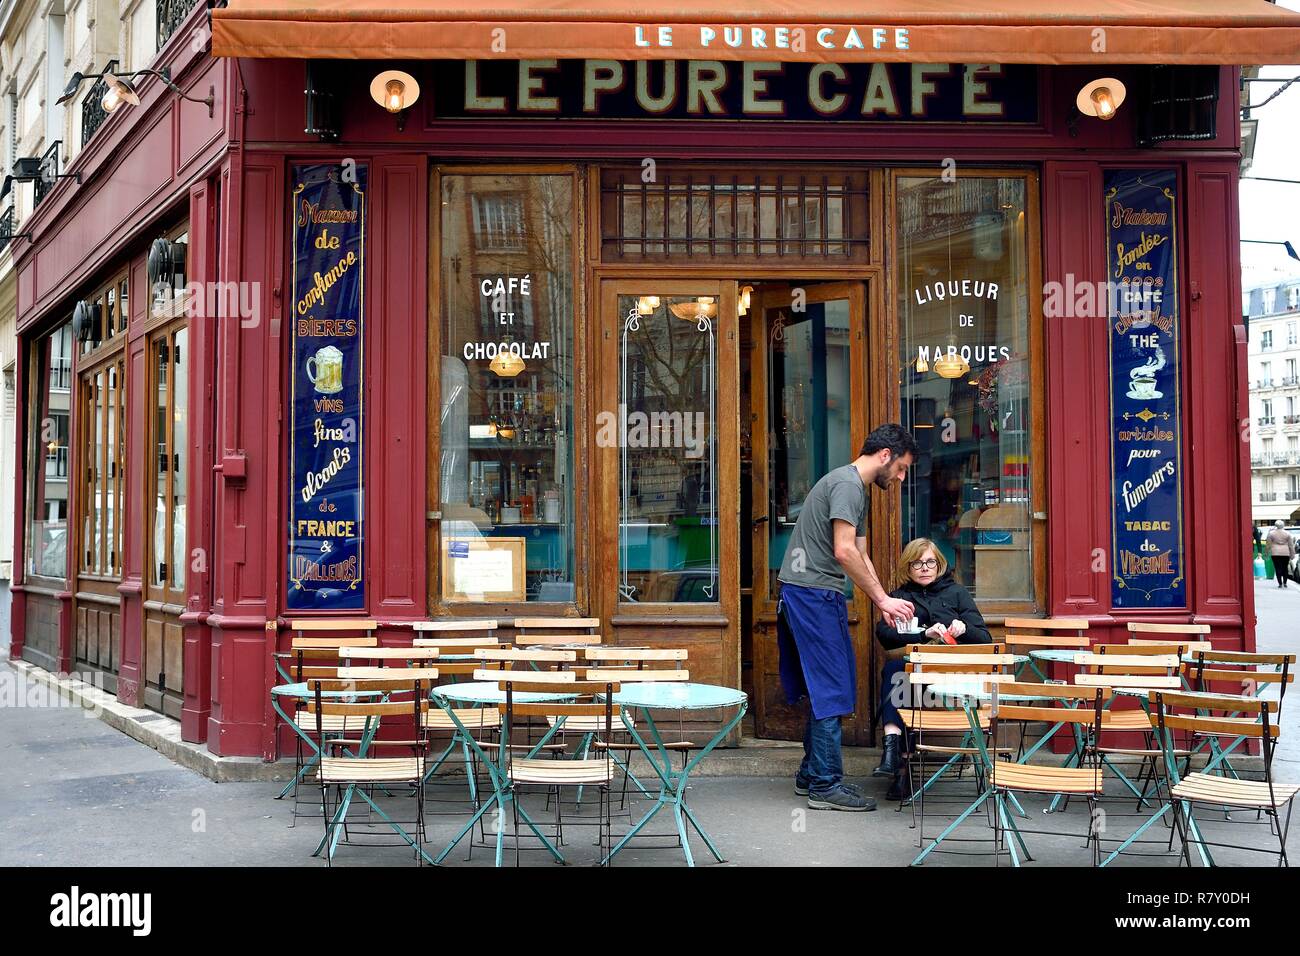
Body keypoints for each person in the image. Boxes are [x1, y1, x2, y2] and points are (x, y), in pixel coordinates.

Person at [776, 423, 918, 812]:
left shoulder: (856, 489)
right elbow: (843, 551)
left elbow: (860, 554)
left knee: (826, 684)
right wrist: (884, 601)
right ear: (885, 455)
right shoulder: (848, 485)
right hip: (812, 594)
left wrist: (883, 599)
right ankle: (824, 784)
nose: (902, 477)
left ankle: (811, 775)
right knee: (833, 686)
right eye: (903, 468)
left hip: (814, 593)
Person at [872, 538, 992, 799]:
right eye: (918, 563)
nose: (925, 568)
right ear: (908, 567)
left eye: (930, 562)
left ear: (939, 565)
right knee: (898, 672)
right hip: (915, 676)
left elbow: (985, 639)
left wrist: (963, 629)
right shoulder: (900, 597)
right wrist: (923, 634)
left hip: (952, 677)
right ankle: (894, 753)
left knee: (902, 680)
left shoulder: (957, 593)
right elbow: (884, 636)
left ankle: (900, 766)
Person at [1265, 519, 1296, 588]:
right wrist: (1292, 554)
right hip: (1285, 552)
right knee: (1285, 568)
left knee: (1277, 567)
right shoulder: (1287, 534)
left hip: (1275, 552)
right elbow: (1291, 545)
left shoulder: (1271, 533)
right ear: (1283, 525)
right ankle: (1285, 582)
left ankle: (1280, 583)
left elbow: (1268, 545)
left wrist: (1266, 553)